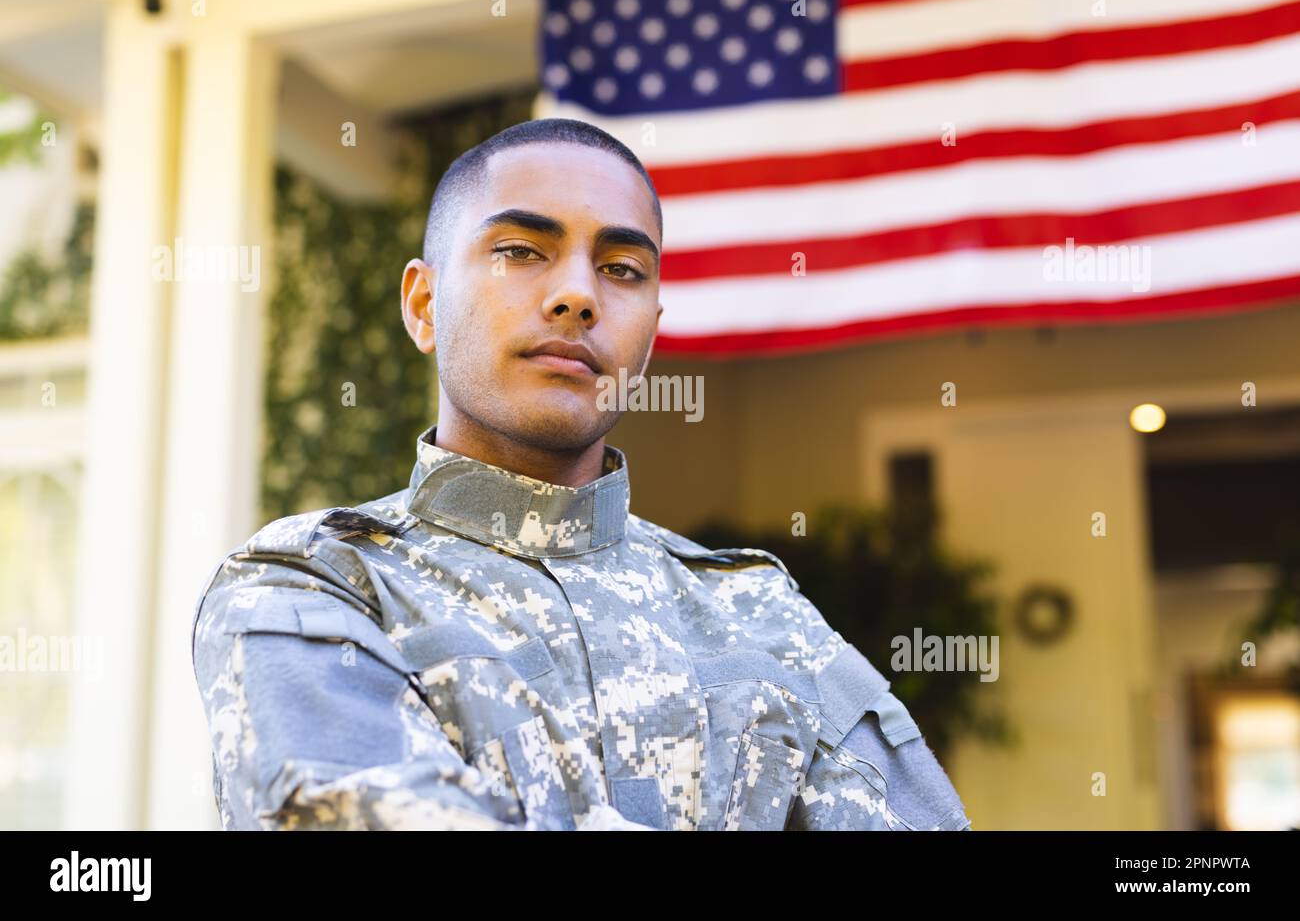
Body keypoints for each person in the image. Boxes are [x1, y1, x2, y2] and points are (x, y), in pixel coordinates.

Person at [190, 117, 971, 831]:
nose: (577, 295)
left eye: (623, 268)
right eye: (521, 251)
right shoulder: (310, 583)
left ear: (650, 336)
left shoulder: (761, 612)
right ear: (425, 304)